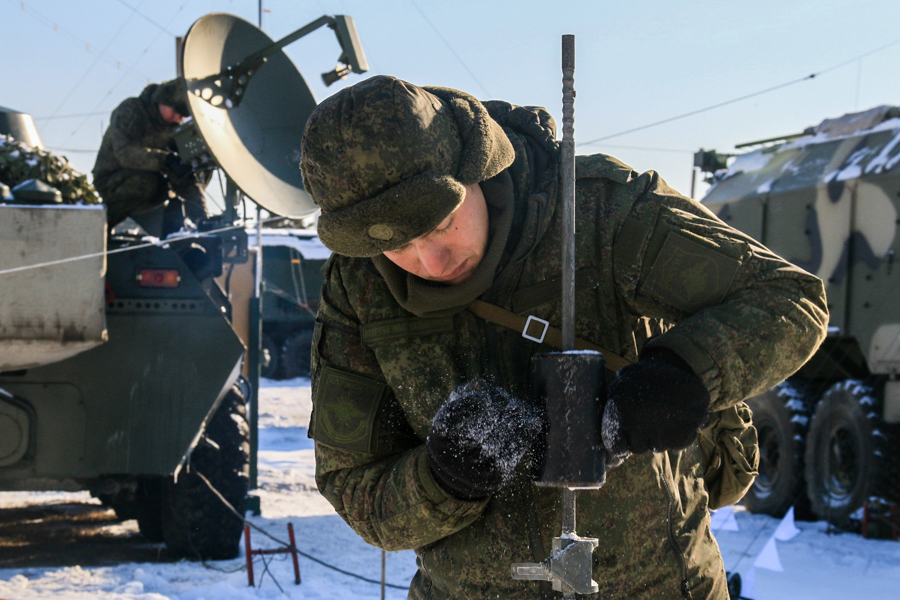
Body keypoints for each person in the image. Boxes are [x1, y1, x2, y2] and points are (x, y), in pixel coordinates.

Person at [300, 75, 828, 599]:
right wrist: (443, 478)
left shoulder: (598, 212)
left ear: (477, 168)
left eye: (441, 225)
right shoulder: (357, 287)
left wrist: (684, 372)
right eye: (398, 247)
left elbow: (789, 299)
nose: (431, 262)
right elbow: (355, 489)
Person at [92, 79, 207, 235]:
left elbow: (183, 174)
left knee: (181, 179)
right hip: (112, 180)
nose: (177, 119)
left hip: (151, 184)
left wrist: (201, 217)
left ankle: (173, 237)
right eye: (175, 112)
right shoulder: (132, 110)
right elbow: (125, 154)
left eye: (182, 116)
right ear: (162, 101)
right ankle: (97, 228)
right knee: (146, 181)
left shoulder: (173, 128)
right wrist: (166, 159)